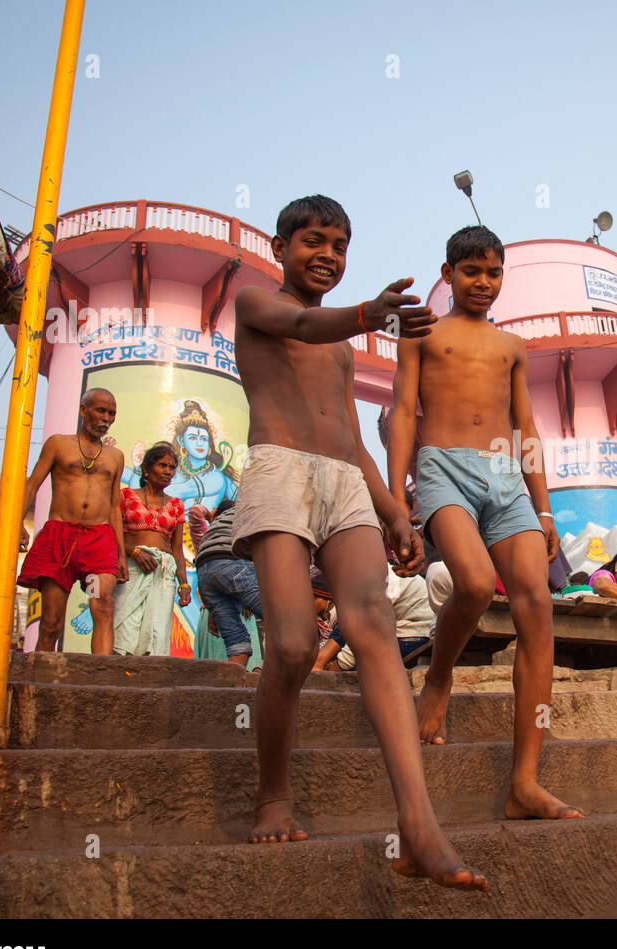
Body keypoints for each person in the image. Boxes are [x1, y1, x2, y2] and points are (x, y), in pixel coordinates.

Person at [232, 194, 484, 890]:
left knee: (372, 625)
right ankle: (273, 793)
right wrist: (371, 314)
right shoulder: (257, 303)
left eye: (340, 246)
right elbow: (303, 322)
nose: (328, 256)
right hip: (279, 469)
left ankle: (420, 826)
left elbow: (353, 441)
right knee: (288, 644)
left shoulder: (342, 350)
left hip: (346, 482)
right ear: (279, 245)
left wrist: (394, 512)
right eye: (313, 240)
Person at [389, 224, 581, 820]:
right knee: (472, 584)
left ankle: (524, 782)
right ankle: (439, 677)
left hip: (507, 479)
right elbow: (401, 410)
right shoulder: (420, 332)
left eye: (494, 272)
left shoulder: (511, 347)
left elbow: (526, 426)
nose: (483, 282)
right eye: (471, 271)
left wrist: (543, 504)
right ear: (447, 274)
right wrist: (397, 499)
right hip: (443, 467)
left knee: (537, 607)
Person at [18, 388, 127, 653]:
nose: (106, 418)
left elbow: (114, 507)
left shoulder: (115, 457)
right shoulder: (58, 444)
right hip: (60, 537)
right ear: (83, 411)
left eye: (111, 413)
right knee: (52, 623)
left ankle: (101, 682)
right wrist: (17, 523)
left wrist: (121, 555)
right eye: (100, 410)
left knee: (101, 606)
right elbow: (31, 485)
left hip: (98, 541)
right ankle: (38, 683)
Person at [114, 442, 189, 655]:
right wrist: (134, 551)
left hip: (163, 571)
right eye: (162, 465)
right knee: (125, 627)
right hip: (132, 566)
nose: (167, 471)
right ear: (146, 469)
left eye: (172, 467)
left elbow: (177, 550)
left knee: (156, 632)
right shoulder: (126, 496)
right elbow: (114, 533)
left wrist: (184, 584)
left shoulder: (176, 504)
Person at [317, 568, 434, 671]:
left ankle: (321, 663)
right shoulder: (364, 580)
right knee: (350, 618)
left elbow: (364, 634)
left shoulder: (383, 579)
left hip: (416, 635)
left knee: (360, 668)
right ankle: (320, 661)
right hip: (399, 630)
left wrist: (335, 670)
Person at [194, 498, 263, 666]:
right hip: (232, 563)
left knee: (237, 643)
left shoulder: (225, 517)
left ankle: (231, 689)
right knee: (285, 623)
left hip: (204, 572)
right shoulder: (265, 508)